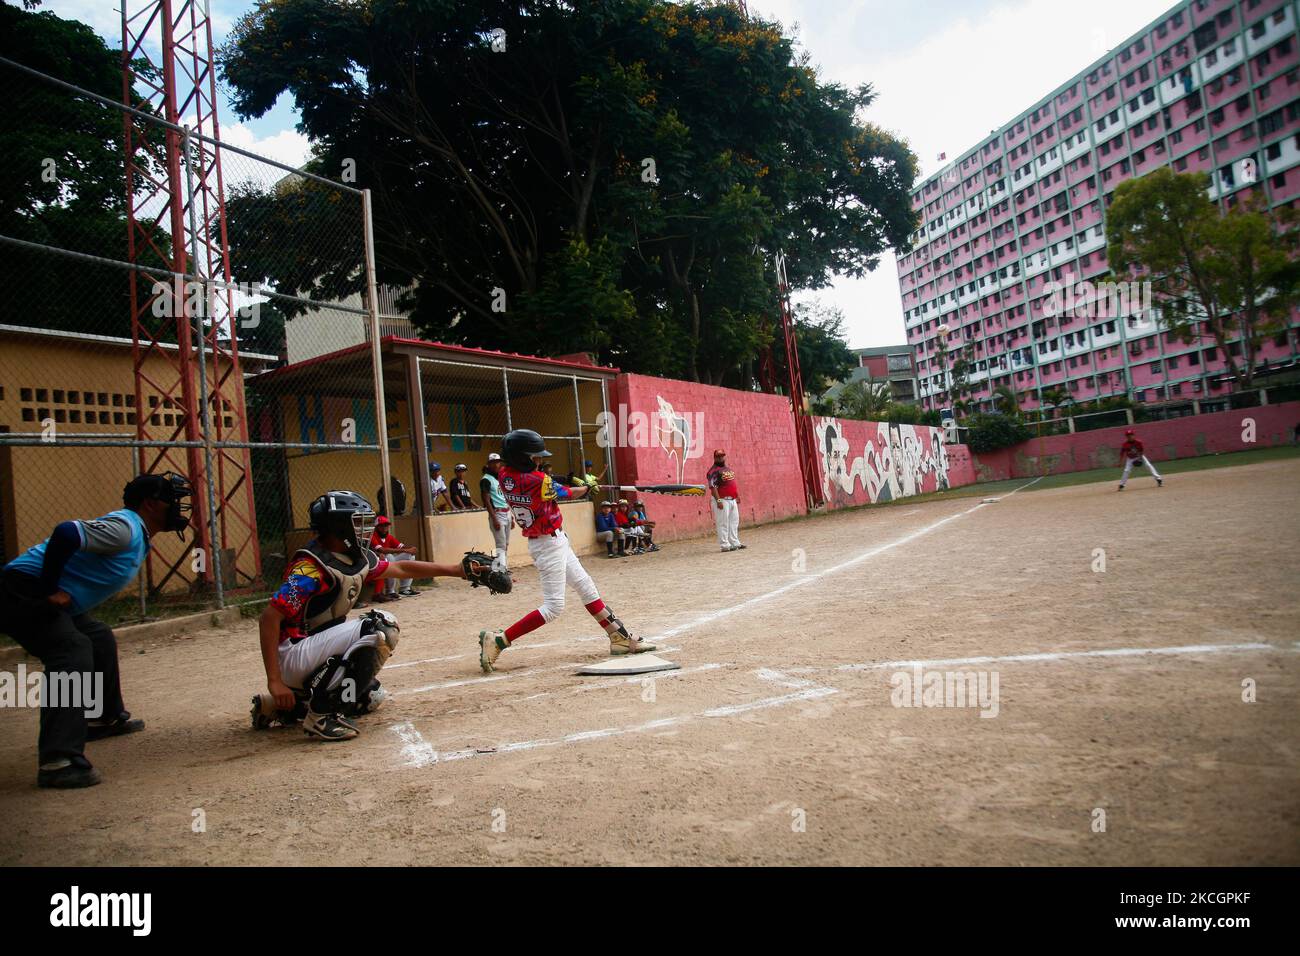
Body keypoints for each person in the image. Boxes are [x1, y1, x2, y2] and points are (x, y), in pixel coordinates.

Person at [0, 472, 193, 789]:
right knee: (71, 651)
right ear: (149, 504)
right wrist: (49, 588)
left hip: (33, 591)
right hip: (20, 591)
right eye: (173, 501)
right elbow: (65, 533)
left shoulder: (136, 531)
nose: (179, 508)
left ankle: (103, 717)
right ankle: (58, 760)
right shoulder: (125, 528)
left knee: (97, 636)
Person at [252, 489, 484, 742]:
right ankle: (320, 716)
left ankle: (288, 707)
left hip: (308, 652)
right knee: (381, 626)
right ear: (338, 526)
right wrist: (274, 680)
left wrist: (455, 570)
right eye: (357, 523)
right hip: (292, 654)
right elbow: (269, 618)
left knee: (370, 696)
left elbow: (400, 566)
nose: (364, 530)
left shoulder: (349, 558)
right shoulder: (310, 570)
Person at [478, 429, 656, 672]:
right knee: (553, 607)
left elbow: (550, 482)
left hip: (553, 541)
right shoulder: (538, 481)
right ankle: (499, 640)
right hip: (547, 544)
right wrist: (588, 487)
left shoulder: (505, 475)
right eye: (534, 456)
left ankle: (619, 638)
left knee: (586, 587)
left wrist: (574, 480)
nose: (538, 460)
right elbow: (567, 493)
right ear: (521, 457)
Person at [368, 515, 417, 599]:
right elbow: (382, 550)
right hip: (377, 564)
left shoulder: (389, 537)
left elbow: (402, 547)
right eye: (381, 526)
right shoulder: (372, 536)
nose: (384, 528)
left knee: (410, 556)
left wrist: (411, 549)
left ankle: (405, 589)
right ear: (376, 527)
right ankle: (390, 591)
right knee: (390, 557)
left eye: (386, 526)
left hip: (388, 562)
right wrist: (405, 550)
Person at [706, 448, 744, 552]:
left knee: (734, 522)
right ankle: (725, 545)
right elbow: (712, 487)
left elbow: (732, 483)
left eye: (722, 455)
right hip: (721, 500)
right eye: (718, 456)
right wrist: (718, 501)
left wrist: (736, 495)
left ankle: (735, 543)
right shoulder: (712, 471)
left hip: (732, 499)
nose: (721, 457)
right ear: (714, 458)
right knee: (722, 522)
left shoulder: (727, 469)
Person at [480, 454, 513, 572]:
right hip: (497, 513)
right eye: (493, 462)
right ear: (488, 464)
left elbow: (505, 497)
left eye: (498, 462)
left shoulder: (500, 478)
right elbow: (486, 500)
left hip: (507, 512)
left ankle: (501, 568)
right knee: (501, 544)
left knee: (505, 544)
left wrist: (512, 517)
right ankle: (501, 571)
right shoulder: (486, 479)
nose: (496, 464)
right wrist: (494, 518)